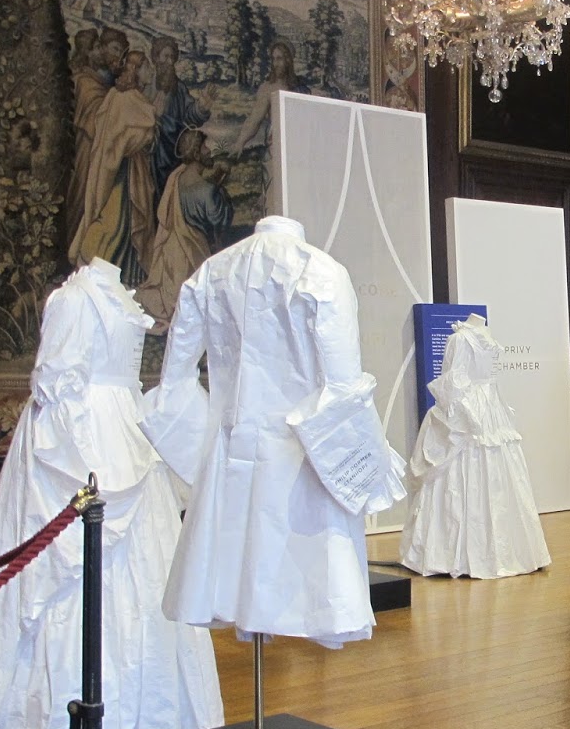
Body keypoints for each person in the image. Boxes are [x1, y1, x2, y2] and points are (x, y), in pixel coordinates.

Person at [0, 258, 224, 729]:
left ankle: (149, 717)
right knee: (64, 579)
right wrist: (77, 457)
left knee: (144, 573)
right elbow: (54, 381)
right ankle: (46, 716)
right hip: (81, 437)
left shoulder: (120, 296)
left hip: (127, 431)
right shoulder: (73, 299)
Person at [146, 215, 406, 648]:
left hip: (230, 456)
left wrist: (203, 459)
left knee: (233, 571)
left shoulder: (210, 273)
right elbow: (342, 388)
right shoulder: (322, 271)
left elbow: (173, 384)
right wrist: (365, 469)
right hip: (302, 460)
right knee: (306, 578)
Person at [400, 313, 552, 579]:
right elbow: (453, 379)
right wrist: (459, 415)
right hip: (469, 409)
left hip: (491, 407)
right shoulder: (460, 338)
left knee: (496, 473)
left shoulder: (484, 333)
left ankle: (500, 551)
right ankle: (454, 554)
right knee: (463, 473)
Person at [69, 48, 156, 282]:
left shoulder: (132, 98)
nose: (152, 72)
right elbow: (118, 139)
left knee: (128, 227)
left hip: (132, 171)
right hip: (121, 174)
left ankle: (126, 277)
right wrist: (144, 138)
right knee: (113, 224)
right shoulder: (123, 99)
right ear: (137, 71)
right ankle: (91, 267)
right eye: (147, 68)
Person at [137, 126, 231, 328]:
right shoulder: (206, 190)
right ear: (196, 153)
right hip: (192, 254)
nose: (209, 151)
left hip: (173, 253)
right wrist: (220, 189)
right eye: (205, 147)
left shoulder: (177, 178)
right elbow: (219, 219)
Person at [149, 37, 208, 203]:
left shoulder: (179, 88)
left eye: (172, 58)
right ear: (155, 58)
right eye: (165, 56)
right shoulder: (146, 85)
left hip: (173, 152)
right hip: (150, 153)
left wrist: (201, 107)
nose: (169, 62)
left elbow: (190, 116)